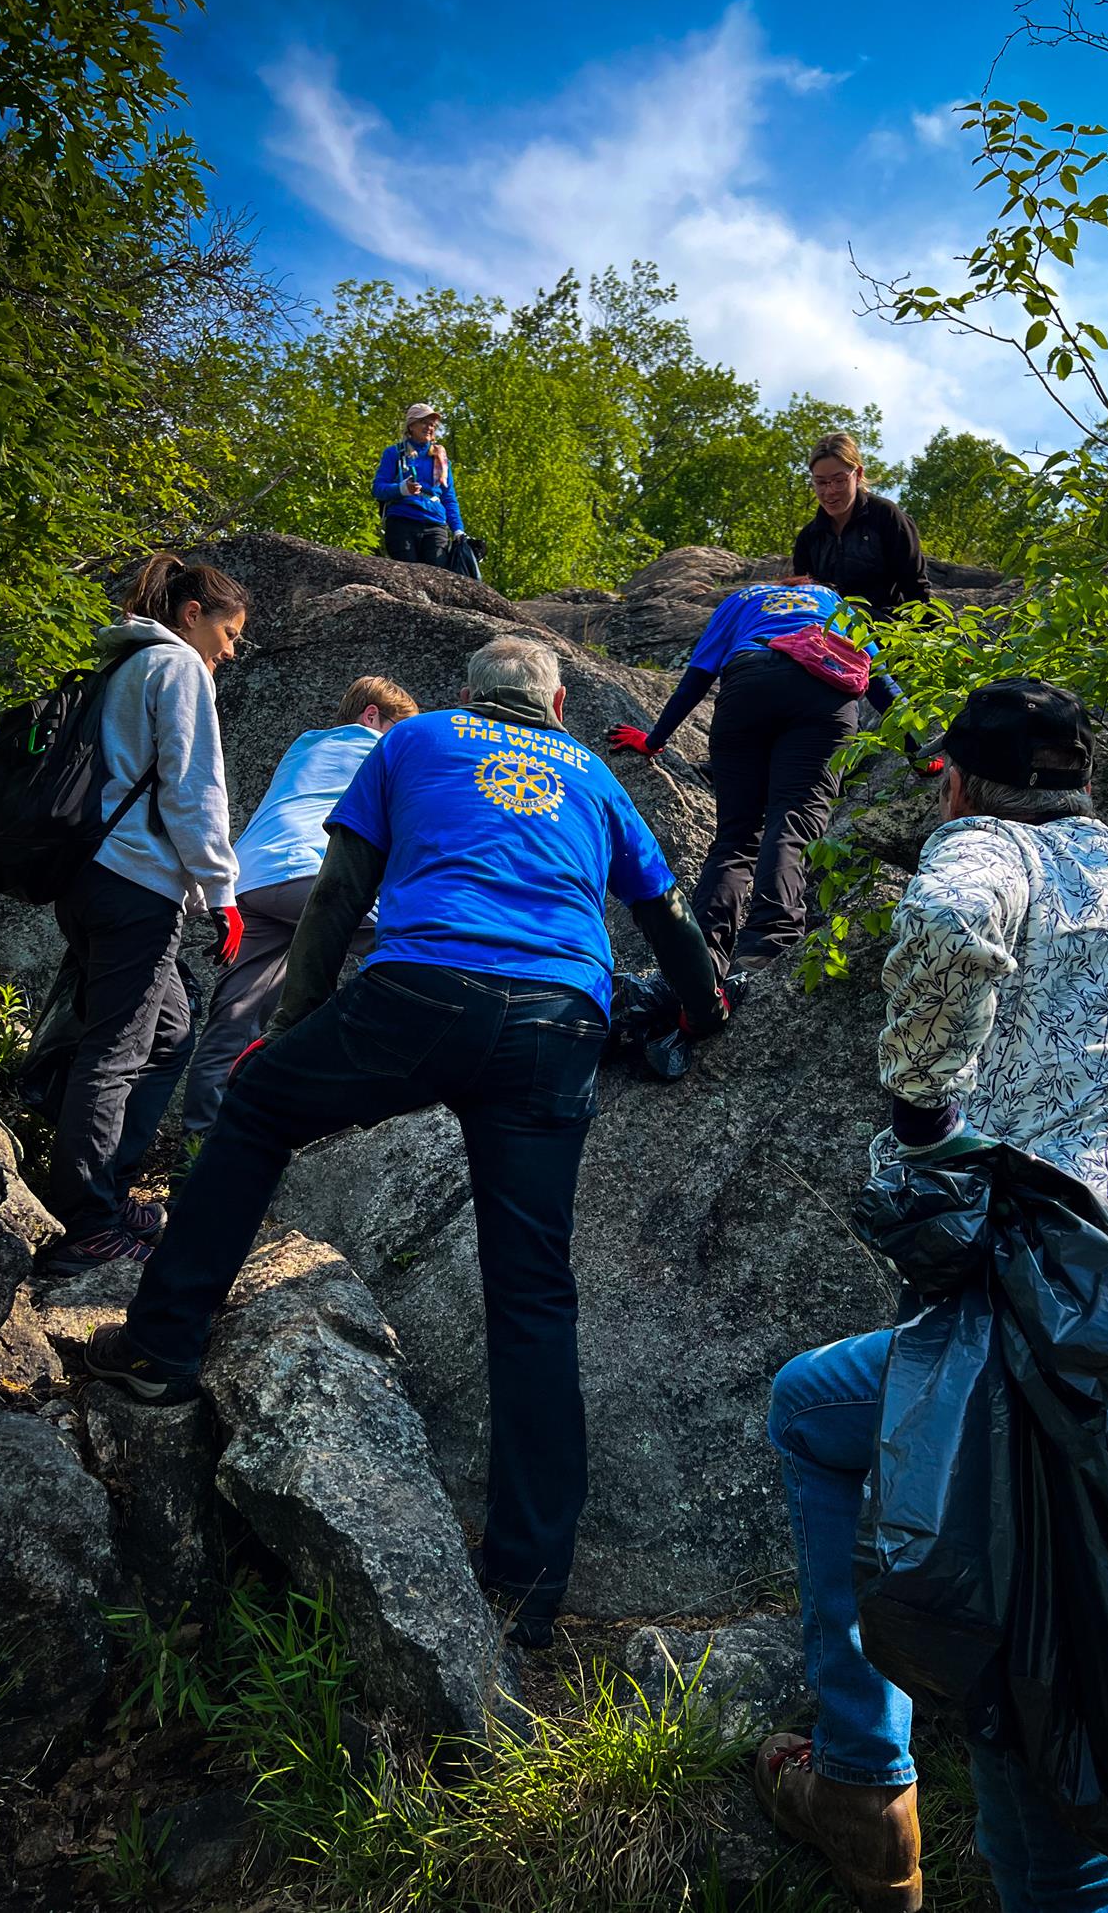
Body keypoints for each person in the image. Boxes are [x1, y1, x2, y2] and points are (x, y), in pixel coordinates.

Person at [755, 677, 1108, 1913]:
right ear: (1086, 782)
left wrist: (923, 1116)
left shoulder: (986, 845)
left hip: (1048, 1327)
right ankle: (863, 1771)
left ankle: (867, 1785)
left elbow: (956, 921)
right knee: (827, 1417)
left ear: (956, 778)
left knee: (1044, 1700)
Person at [84, 636, 728, 1644]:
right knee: (532, 1292)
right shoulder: (595, 777)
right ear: (557, 702)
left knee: (255, 1112)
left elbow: (341, 891)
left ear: (471, 692)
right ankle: (527, 1585)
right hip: (559, 1021)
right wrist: (699, 1014)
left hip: (421, 993)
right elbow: (671, 914)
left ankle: (162, 1349)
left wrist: (291, 1035)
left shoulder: (419, 735)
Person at [41, 553, 248, 1276]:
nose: (230, 649)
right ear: (193, 615)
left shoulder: (120, 664)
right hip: (135, 882)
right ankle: (87, 1222)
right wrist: (221, 892)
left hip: (88, 874)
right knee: (117, 1051)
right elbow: (194, 787)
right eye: (228, 632)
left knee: (169, 1032)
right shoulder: (179, 668)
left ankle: (104, 1186)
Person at [607, 580, 937, 977]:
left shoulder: (740, 599)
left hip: (748, 683)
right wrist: (919, 752)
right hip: (822, 690)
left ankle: (700, 957)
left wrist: (654, 740)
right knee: (794, 820)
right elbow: (880, 680)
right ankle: (766, 945)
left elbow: (698, 676)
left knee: (736, 836)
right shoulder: (832, 600)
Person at [170, 675, 420, 1182]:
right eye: (398, 729)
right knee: (416, 952)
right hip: (308, 876)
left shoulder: (305, 746)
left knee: (235, 1018)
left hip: (252, 885)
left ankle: (199, 1154)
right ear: (372, 717)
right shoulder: (370, 746)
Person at [791, 432, 930, 621]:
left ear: (858, 474)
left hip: (887, 631)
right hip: (827, 630)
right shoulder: (809, 537)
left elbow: (917, 592)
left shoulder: (886, 516)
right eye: (821, 482)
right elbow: (805, 601)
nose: (829, 492)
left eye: (839, 481)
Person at [371, 403, 467, 567]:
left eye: (432, 424)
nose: (429, 427)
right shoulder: (394, 453)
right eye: (424, 422)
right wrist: (402, 489)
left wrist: (458, 529)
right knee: (406, 576)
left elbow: (448, 498)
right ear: (411, 426)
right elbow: (378, 489)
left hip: (435, 524)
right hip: (402, 521)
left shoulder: (441, 459)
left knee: (437, 578)